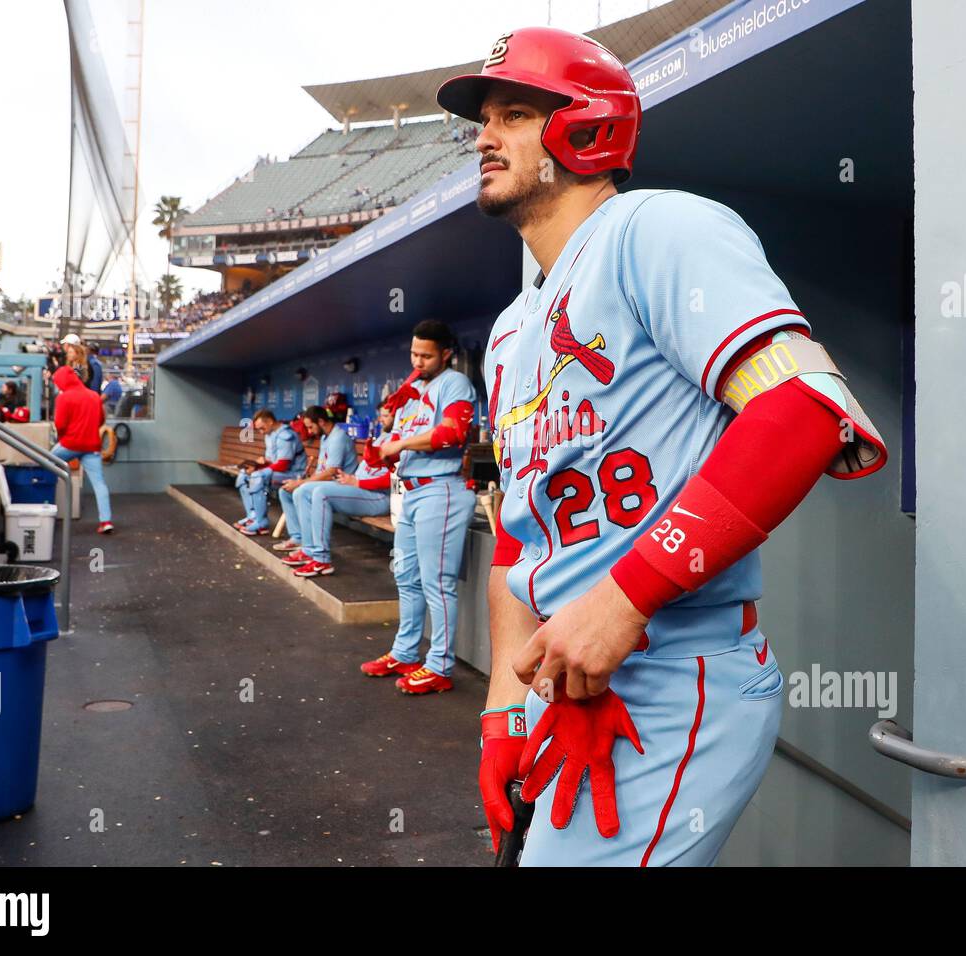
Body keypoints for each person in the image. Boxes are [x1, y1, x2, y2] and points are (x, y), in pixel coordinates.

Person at [437, 28, 887, 866]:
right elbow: (519, 532)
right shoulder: (507, 331)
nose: (483, 136)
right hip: (557, 682)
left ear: (585, 129)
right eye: (482, 118)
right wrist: (504, 705)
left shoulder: (657, 229)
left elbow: (804, 412)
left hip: (668, 671)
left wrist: (620, 602)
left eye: (514, 113)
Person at [358, 320, 476, 695]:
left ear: (446, 354)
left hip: (441, 490)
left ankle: (439, 666)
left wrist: (400, 444)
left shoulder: (454, 383)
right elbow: (387, 450)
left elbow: (452, 433)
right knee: (406, 579)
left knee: (436, 583)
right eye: (414, 354)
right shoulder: (412, 393)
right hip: (411, 493)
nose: (418, 361)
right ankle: (406, 653)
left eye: (426, 355)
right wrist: (382, 446)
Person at [285, 402, 395, 578]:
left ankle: (321, 560)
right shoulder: (382, 437)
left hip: (378, 497)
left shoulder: (400, 440)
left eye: (386, 415)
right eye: (381, 415)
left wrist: (357, 483)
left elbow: (392, 478)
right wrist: (350, 480)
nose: (381, 419)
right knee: (302, 491)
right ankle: (309, 550)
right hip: (360, 488)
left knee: (321, 493)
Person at [271, 400, 357, 564]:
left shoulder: (338, 437)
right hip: (328, 482)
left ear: (322, 421)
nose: (309, 431)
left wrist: (301, 484)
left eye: (311, 426)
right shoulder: (326, 436)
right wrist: (301, 481)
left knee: (301, 491)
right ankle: (298, 538)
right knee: (285, 490)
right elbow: (322, 470)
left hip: (342, 484)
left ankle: (309, 548)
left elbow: (331, 471)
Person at [51, 364, 114, 534]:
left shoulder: (64, 398)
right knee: (99, 484)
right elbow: (101, 420)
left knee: (45, 463)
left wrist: (63, 437)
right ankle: (105, 521)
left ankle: (43, 507)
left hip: (70, 444)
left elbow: (60, 424)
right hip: (92, 445)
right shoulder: (94, 396)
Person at [234, 408, 307, 536]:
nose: (261, 432)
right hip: (278, 472)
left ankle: (262, 524)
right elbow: (272, 461)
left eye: (262, 428)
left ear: (270, 422)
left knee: (257, 477)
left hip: (293, 475)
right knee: (243, 475)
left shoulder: (286, 435)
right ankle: (253, 517)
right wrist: (260, 463)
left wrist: (260, 470)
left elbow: (283, 465)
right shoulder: (270, 434)